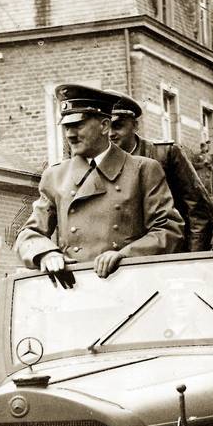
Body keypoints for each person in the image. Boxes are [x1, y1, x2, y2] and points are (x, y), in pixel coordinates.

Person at [15, 84, 183, 284]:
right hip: (77, 288)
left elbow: (169, 230)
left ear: (104, 126)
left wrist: (124, 255)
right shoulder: (55, 176)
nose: (70, 134)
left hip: (131, 284)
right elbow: (29, 233)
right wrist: (46, 253)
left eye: (78, 125)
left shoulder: (143, 170)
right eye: (67, 127)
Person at [108, 93, 213, 251]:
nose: (111, 134)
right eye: (106, 127)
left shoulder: (165, 154)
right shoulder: (99, 162)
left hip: (169, 255)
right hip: (123, 260)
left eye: (118, 126)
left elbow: (199, 210)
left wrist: (192, 259)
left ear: (135, 126)